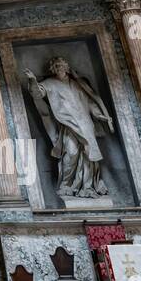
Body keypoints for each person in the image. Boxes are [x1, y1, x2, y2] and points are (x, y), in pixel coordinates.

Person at [23, 57, 115, 199]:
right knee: (71, 153)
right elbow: (37, 94)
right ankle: (67, 185)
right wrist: (32, 80)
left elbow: (90, 102)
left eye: (62, 65)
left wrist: (99, 115)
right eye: (57, 66)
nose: (60, 68)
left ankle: (88, 186)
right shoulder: (49, 84)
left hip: (85, 124)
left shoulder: (78, 84)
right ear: (53, 69)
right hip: (67, 124)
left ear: (67, 67)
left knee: (89, 155)